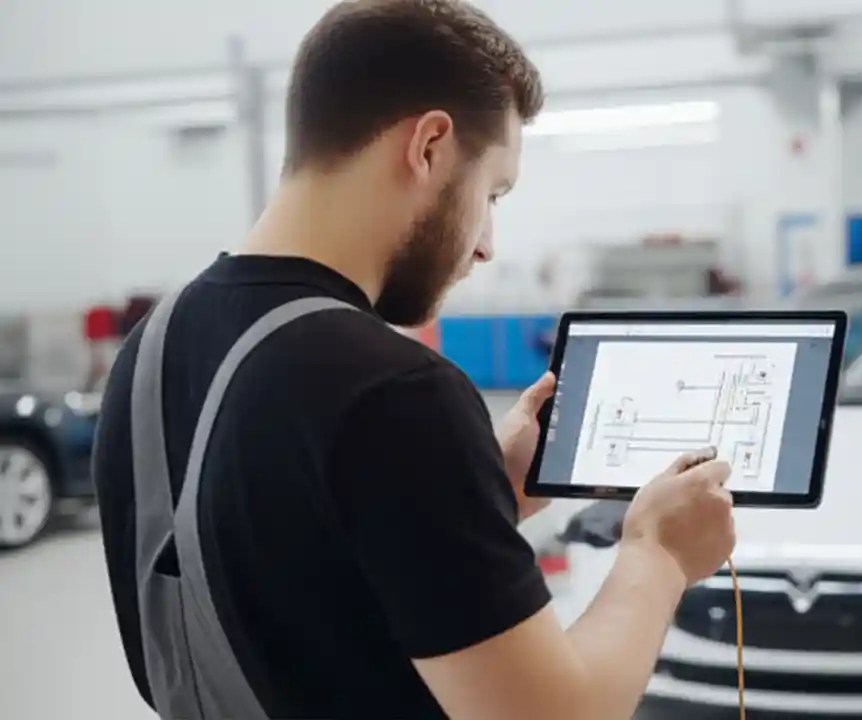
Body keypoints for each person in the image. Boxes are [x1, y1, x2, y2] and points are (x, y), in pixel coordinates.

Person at [91, 1, 736, 719]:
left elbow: (295, 578)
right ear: (429, 145)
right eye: (491, 192)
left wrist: (488, 486)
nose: (487, 242)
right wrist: (658, 552)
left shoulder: (150, 350)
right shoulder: (392, 391)